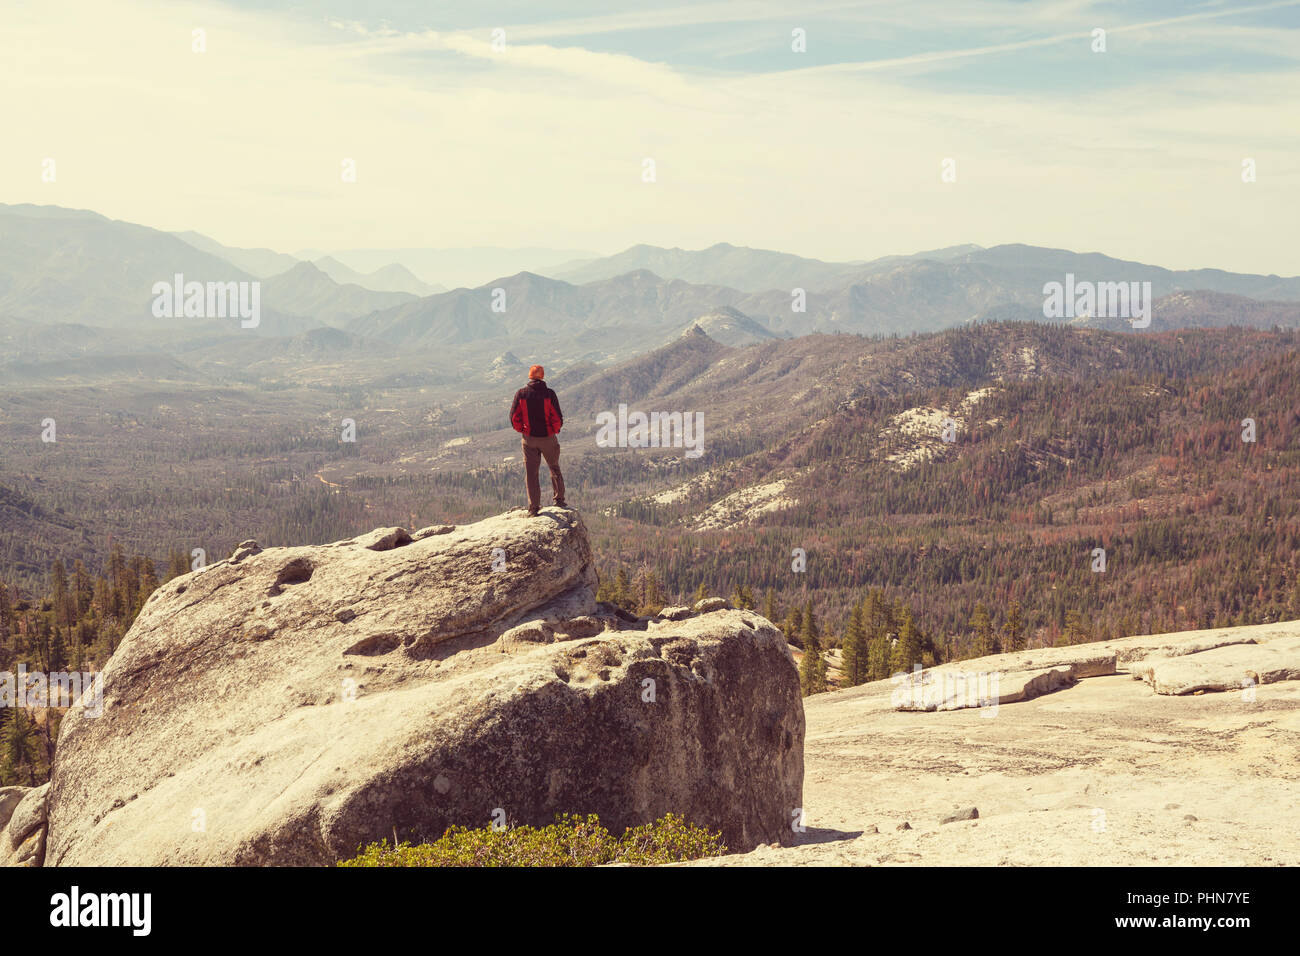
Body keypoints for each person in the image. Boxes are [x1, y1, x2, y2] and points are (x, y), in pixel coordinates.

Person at [509, 365, 567, 515]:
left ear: (530, 376)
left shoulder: (521, 394)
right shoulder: (549, 394)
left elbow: (514, 417)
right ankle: (559, 499)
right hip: (548, 438)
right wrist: (554, 430)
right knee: (554, 468)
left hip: (529, 440)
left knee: (531, 473)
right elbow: (557, 417)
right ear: (542, 376)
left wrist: (523, 430)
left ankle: (533, 508)